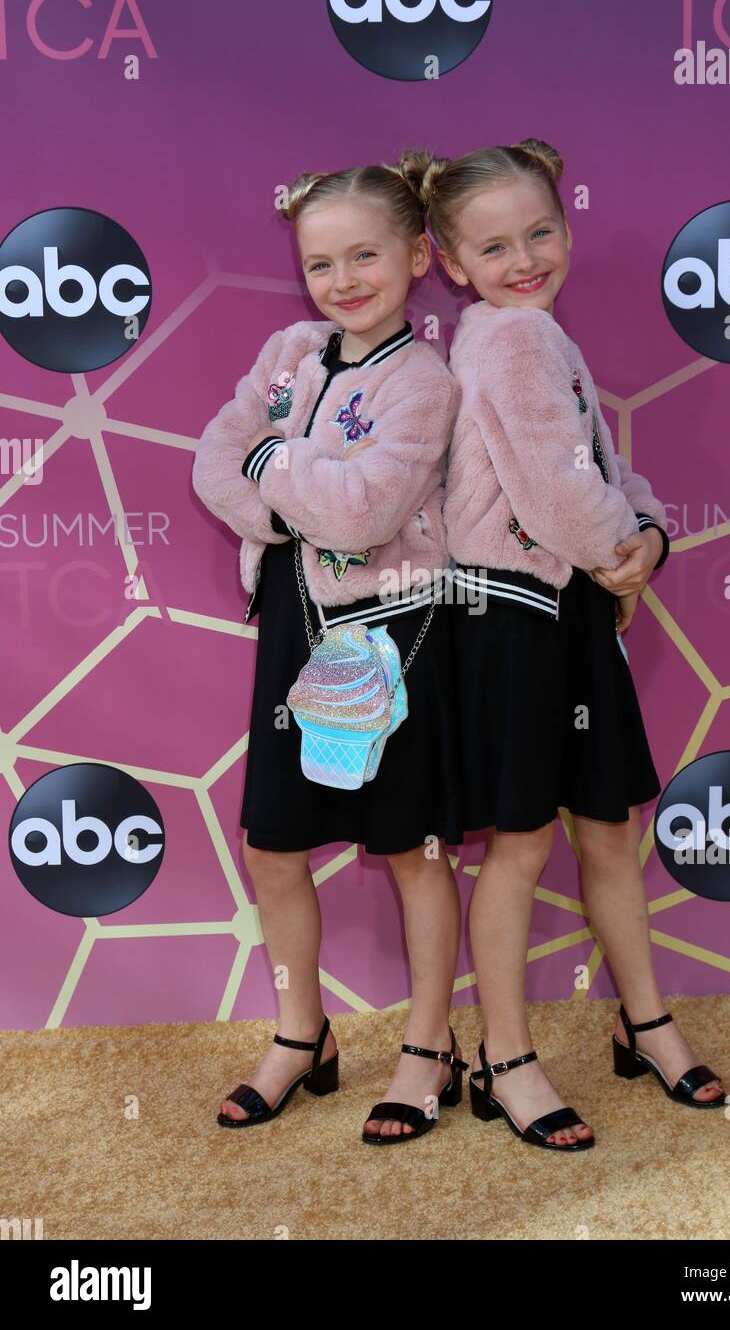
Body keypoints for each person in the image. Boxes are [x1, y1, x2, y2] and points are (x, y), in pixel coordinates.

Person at [397, 138, 725, 1151]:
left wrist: (648, 536)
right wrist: (617, 550)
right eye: (492, 245)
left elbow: (599, 465)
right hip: (511, 616)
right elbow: (549, 491)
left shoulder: (539, 333)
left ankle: (644, 1021)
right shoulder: (506, 341)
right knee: (522, 842)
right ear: (451, 263)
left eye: (540, 231)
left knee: (606, 830)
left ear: (566, 226)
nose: (523, 256)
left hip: (566, 603)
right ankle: (506, 1056)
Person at [192, 161, 469, 1145]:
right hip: (292, 625)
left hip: (394, 631)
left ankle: (427, 1045)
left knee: (409, 844)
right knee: (273, 843)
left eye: (364, 254)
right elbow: (213, 458)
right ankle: (300, 1032)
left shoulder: (426, 381)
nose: (343, 278)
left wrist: (277, 462)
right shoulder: (289, 352)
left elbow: (365, 512)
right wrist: (293, 501)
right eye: (321, 261)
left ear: (416, 257)